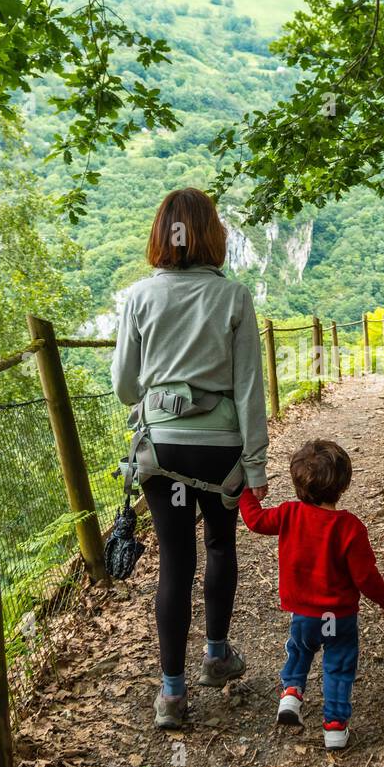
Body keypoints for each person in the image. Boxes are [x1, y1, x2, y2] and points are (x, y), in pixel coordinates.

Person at [112, 188, 269, 730]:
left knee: (175, 563)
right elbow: (249, 387)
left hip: (161, 448)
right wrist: (256, 465)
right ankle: (216, 656)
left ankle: (171, 696)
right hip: (221, 449)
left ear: (162, 235)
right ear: (212, 235)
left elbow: (125, 389)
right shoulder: (234, 298)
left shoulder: (137, 298)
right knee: (220, 545)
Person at [238, 439, 384, 750]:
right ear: (344, 485)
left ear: (298, 483)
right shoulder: (350, 527)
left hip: (305, 614)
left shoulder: (288, 515)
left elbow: (254, 521)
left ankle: (291, 696)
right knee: (338, 666)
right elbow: (365, 575)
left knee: (299, 650)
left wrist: (246, 491)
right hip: (339, 618)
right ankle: (335, 727)